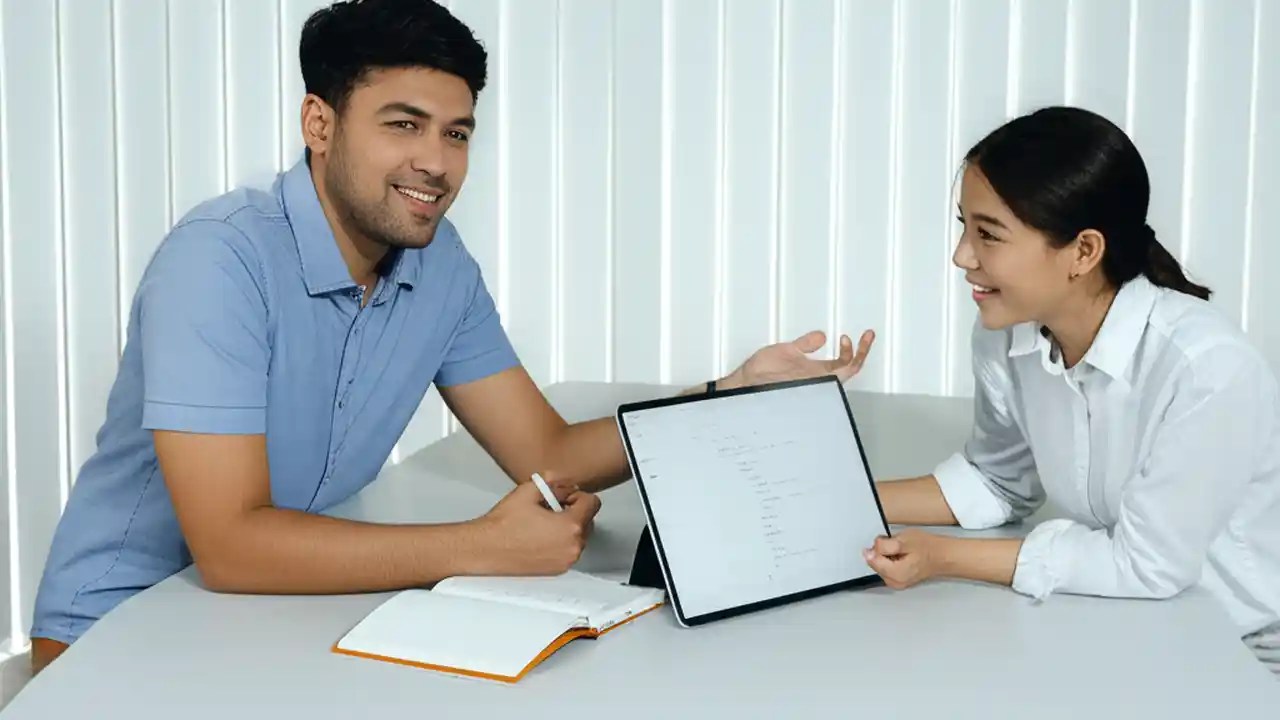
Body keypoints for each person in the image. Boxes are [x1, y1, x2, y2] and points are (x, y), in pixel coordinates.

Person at [28, 0, 875, 674]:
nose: (436, 161)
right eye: (403, 124)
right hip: (119, 632)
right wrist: (487, 548)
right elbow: (232, 545)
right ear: (318, 124)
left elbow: (546, 452)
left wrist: (725, 394)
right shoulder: (219, 260)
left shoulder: (439, 265)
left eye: (457, 132)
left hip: (275, 617)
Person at [865, 106, 1280, 676]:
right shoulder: (1006, 335)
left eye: (988, 234)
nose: (962, 255)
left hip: (1244, 649)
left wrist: (945, 557)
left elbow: (1147, 565)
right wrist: (835, 500)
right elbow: (997, 482)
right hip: (1129, 625)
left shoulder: (1207, 369)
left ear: (1084, 251)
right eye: (964, 226)